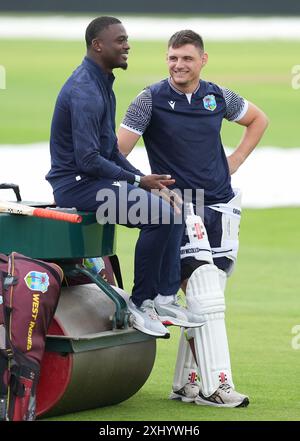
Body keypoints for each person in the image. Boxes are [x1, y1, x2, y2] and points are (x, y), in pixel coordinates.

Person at [118, 30, 268, 407]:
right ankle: (216, 387)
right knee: (206, 297)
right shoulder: (148, 99)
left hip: (222, 208)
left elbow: (258, 120)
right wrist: (147, 187)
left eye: (186, 58)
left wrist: (232, 163)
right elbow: (115, 153)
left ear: (202, 60)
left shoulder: (217, 96)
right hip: (182, 209)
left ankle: (186, 382)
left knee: (207, 296)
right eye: (172, 58)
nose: (178, 65)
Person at [46, 17, 203, 339]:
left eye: (126, 39)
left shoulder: (102, 81)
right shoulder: (85, 90)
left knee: (172, 205)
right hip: (75, 187)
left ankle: (164, 298)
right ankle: (141, 302)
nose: (127, 45)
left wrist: (143, 178)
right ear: (97, 45)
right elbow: (88, 160)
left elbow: (110, 150)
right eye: (120, 40)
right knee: (158, 216)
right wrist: (135, 182)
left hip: (91, 180)